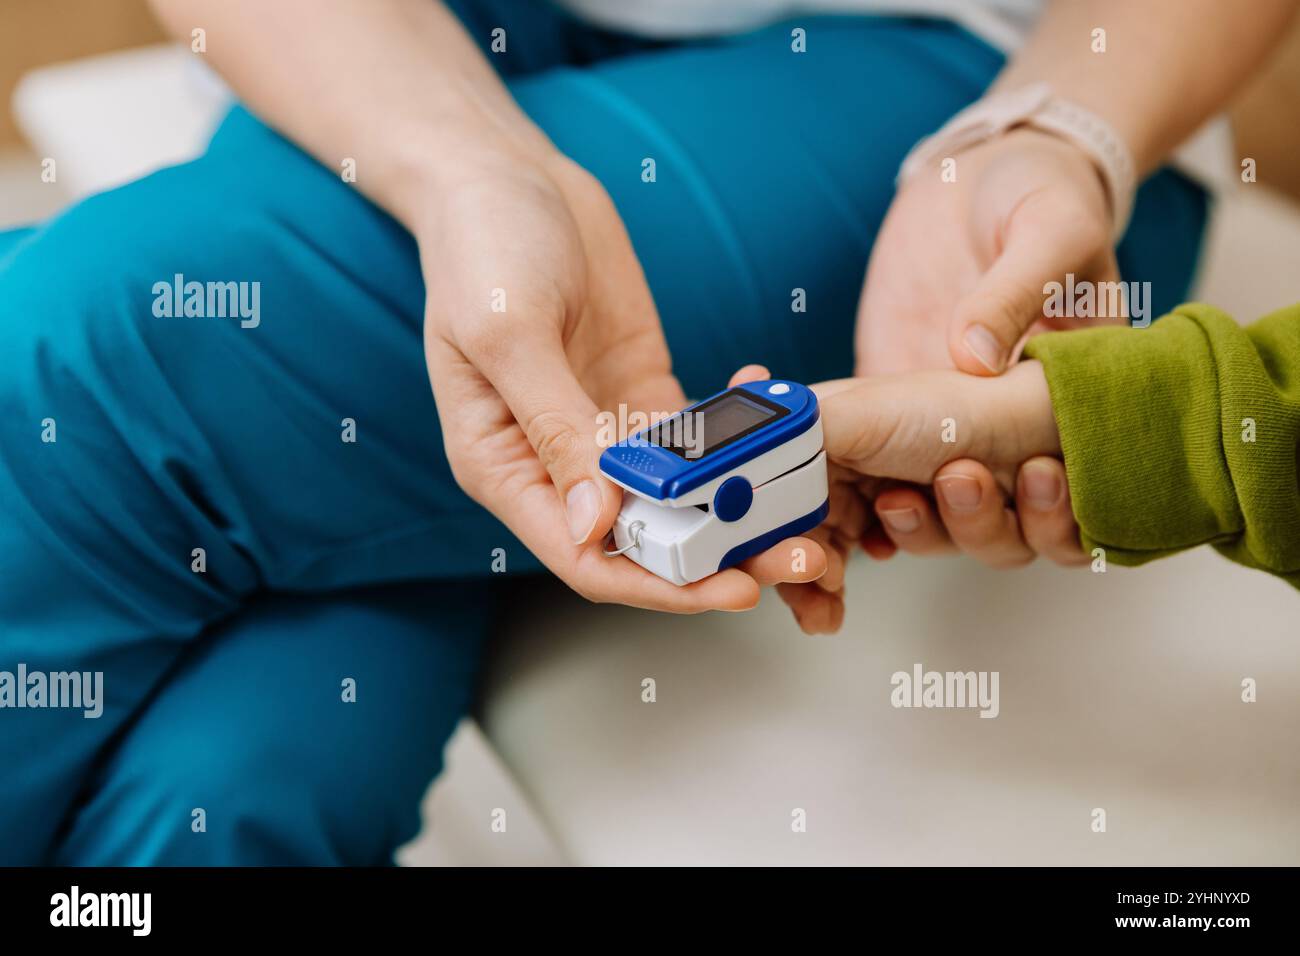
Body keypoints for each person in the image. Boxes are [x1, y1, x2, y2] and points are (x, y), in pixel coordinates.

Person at [0, 0, 1292, 864]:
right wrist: (465, 169)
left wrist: (1047, 128)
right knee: (252, 768)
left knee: (91, 357)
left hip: (995, 65)